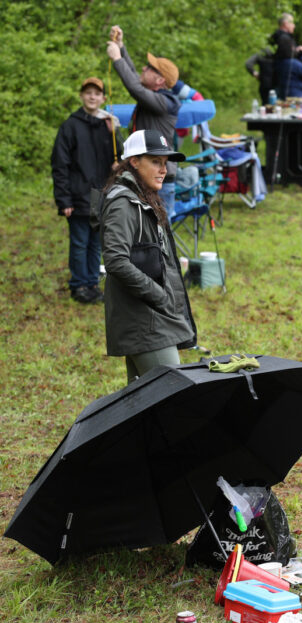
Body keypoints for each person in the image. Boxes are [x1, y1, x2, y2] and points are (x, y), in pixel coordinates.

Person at [99, 130, 197, 382]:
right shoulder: (122, 202)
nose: (163, 170)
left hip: (152, 318)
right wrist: (159, 296)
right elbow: (115, 261)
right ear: (134, 161)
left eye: (165, 163)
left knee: (145, 406)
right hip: (146, 322)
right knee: (173, 398)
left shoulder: (142, 196)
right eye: (155, 161)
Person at [51, 76, 122, 304]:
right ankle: (79, 285)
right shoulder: (70, 126)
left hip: (101, 195)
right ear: (81, 96)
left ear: (103, 98)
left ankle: (92, 283)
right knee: (80, 243)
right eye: (88, 92)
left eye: (97, 93)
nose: (92, 97)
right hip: (78, 195)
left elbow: (122, 158)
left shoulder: (108, 125)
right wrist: (64, 200)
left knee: (95, 244)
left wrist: (117, 132)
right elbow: (59, 164)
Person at [106, 26, 180, 219]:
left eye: (149, 68)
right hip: (146, 175)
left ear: (160, 79)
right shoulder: (154, 98)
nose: (143, 68)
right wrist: (121, 47)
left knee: (160, 234)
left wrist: (117, 59)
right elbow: (137, 83)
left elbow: (135, 88)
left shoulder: (167, 102)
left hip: (159, 179)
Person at [270, 13, 302, 100]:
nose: (294, 26)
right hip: (285, 82)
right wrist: (298, 52)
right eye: (292, 23)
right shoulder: (284, 39)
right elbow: (289, 60)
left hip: (275, 79)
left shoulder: (275, 38)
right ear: (286, 24)